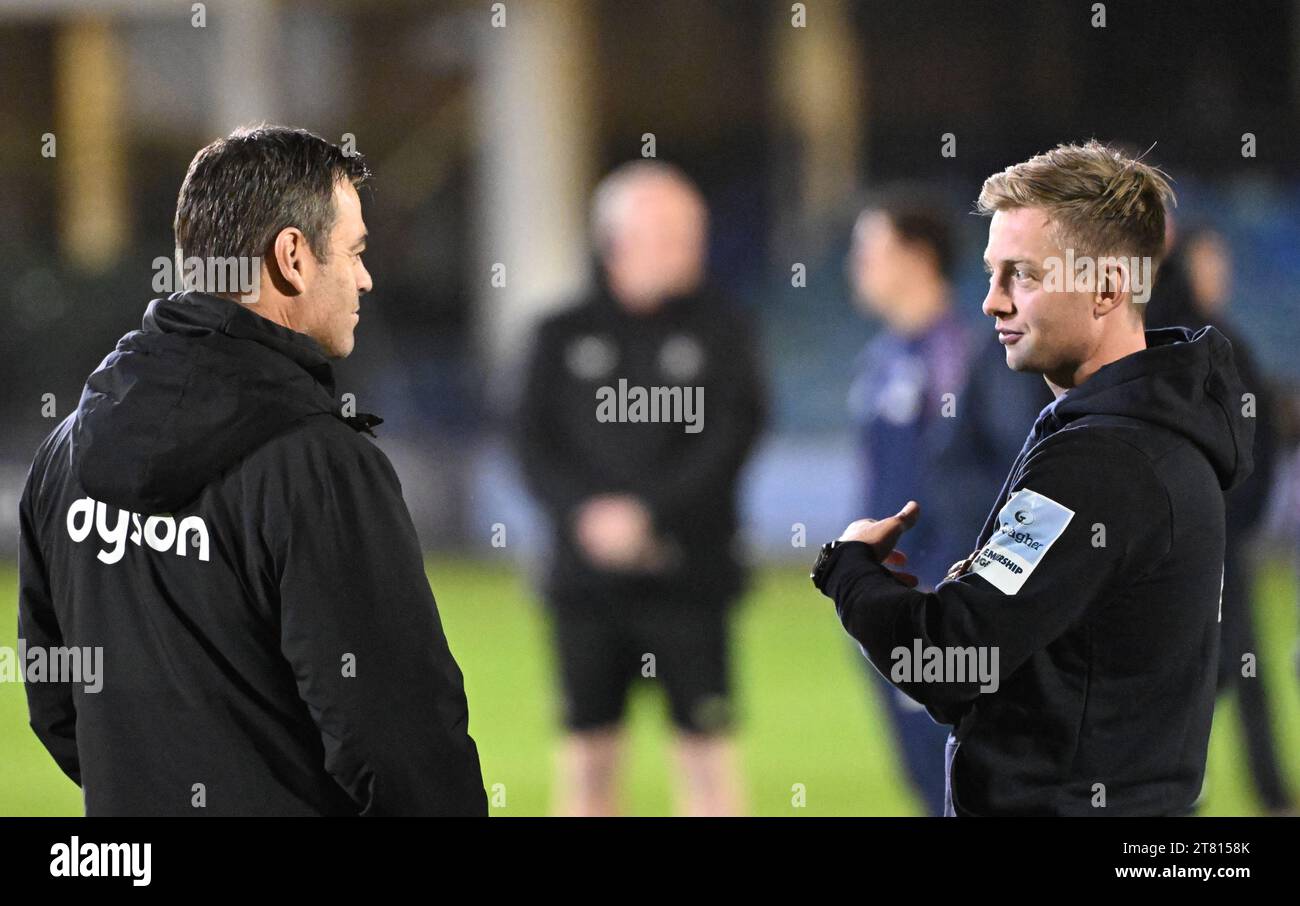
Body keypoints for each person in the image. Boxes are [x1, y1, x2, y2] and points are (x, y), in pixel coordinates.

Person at [18, 125, 486, 816]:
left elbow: (55, 700)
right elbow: (397, 739)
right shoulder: (320, 465)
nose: (365, 276)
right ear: (293, 257)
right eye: (353, 251)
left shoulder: (65, 450)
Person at [812, 141, 1255, 816]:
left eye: (1022, 276)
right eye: (992, 273)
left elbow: (954, 664)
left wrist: (851, 573)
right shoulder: (1163, 433)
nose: (991, 302)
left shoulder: (1098, 462)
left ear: (1108, 286)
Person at [516, 161, 765, 816]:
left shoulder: (724, 331)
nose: (689, 249)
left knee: (707, 756)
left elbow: (732, 438)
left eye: (692, 233)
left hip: (690, 576)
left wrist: (650, 513)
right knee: (587, 759)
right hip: (584, 581)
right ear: (615, 239)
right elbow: (530, 442)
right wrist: (584, 516)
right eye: (670, 233)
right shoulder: (558, 333)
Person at [845, 193, 1051, 815]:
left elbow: (1019, 471)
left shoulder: (966, 354)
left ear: (915, 257)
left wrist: (961, 583)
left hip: (943, 593)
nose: (857, 265)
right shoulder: (880, 360)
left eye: (870, 250)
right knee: (920, 772)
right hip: (890, 593)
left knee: (961, 773)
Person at [1149, 226, 1294, 814]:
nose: (1217, 275)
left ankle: (1264, 795)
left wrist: (1228, 528)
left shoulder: (1222, 346)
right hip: (1184, 555)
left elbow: (1257, 452)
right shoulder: (1152, 335)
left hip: (1214, 551)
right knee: (1186, 689)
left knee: (1231, 677)